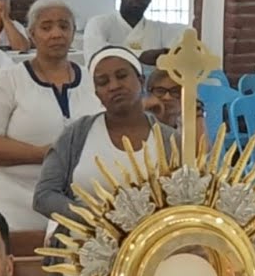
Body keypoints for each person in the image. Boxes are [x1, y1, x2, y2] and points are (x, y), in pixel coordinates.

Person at [0, 0, 99, 231]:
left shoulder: (92, 80)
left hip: (81, 207)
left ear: (73, 33)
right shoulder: (8, 80)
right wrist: (46, 154)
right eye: (46, 27)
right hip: (18, 205)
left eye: (64, 26)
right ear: (31, 34)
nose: (56, 34)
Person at [33, 46, 177, 242]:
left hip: (149, 249)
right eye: (103, 82)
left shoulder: (171, 140)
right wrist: (97, 218)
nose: (114, 86)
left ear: (141, 81)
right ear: (97, 93)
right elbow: (44, 196)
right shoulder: (77, 134)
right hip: (82, 251)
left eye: (122, 76)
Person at [82, 0, 185, 66]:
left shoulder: (159, 29)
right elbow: (96, 52)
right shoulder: (99, 23)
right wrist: (140, 56)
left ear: (150, 0)